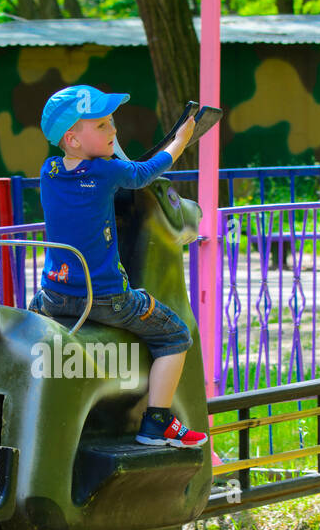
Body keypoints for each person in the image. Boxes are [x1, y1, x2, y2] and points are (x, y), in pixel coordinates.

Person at [30, 85, 206, 449]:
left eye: (112, 123)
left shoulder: (48, 171)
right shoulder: (109, 174)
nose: (114, 131)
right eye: (103, 125)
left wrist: (105, 149)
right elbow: (145, 173)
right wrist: (180, 141)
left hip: (55, 295)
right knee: (176, 336)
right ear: (73, 139)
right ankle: (158, 422)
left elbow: (92, 173)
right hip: (105, 298)